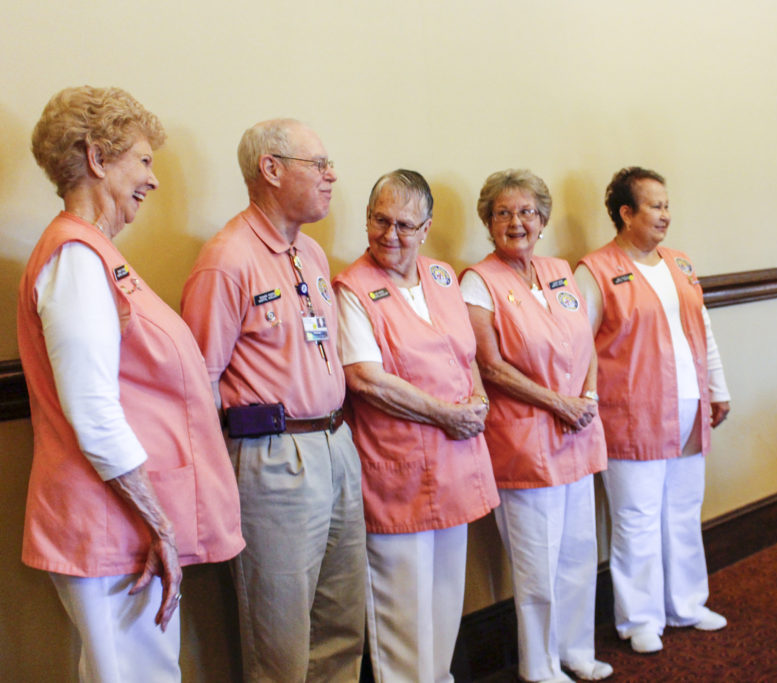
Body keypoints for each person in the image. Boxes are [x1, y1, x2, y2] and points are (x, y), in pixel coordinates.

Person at [16, 85, 244, 681]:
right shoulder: (75, 259)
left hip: (122, 519)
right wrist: (160, 525)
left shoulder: (95, 254)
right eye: (143, 160)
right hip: (108, 521)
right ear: (97, 158)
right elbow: (92, 410)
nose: (154, 179)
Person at [181, 119, 365, 681]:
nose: (331, 176)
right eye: (319, 164)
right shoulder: (227, 259)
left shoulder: (310, 252)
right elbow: (198, 386)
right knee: (279, 636)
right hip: (274, 460)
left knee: (341, 622)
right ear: (271, 169)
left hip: (335, 444)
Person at [333, 169, 499, 683]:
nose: (391, 234)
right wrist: (447, 414)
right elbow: (365, 379)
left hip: (455, 465)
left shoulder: (442, 276)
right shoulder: (353, 288)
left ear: (426, 228)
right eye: (379, 220)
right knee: (403, 618)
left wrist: (478, 398)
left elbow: (466, 355)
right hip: (397, 473)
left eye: (405, 224)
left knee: (445, 601)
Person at [461, 169, 612, 683]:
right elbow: (491, 366)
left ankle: (576, 650)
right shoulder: (478, 282)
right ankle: (540, 665)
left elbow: (586, 341)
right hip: (524, 441)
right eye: (503, 213)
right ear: (488, 222)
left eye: (526, 212)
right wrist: (559, 403)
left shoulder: (558, 270)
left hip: (577, 431)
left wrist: (587, 397)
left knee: (578, 552)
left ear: (543, 219)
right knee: (537, 565)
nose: (516, 222)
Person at [575, 167, 731, 655]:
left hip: (689, 408)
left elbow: (703, 328)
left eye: (667, 206)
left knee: (682, 511)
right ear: (626, 213)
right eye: (655, 206)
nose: (666, 215)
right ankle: (639, 619)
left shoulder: (679, 263)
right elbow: (577, 347)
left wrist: (718, 388)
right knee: (636, 517)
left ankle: (686, 603)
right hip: (631, 415)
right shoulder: (595, 271)